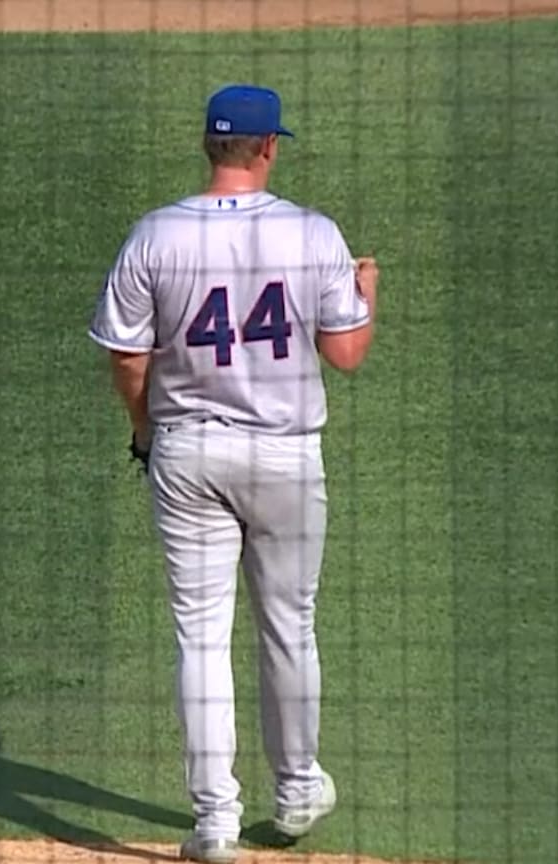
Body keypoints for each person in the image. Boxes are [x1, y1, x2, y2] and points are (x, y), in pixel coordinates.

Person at [86, 83, 379, 863]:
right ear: (269, 146)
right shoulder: (313, 234)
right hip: (285, 456)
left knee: (200, 639)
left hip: (187, 453)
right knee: (289, 627)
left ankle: (214, 824)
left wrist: (147, 429)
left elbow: (126, 353)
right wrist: (367, 296)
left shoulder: (157, 234)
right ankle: (297, 790)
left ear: (208, 145)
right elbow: (346, 354)